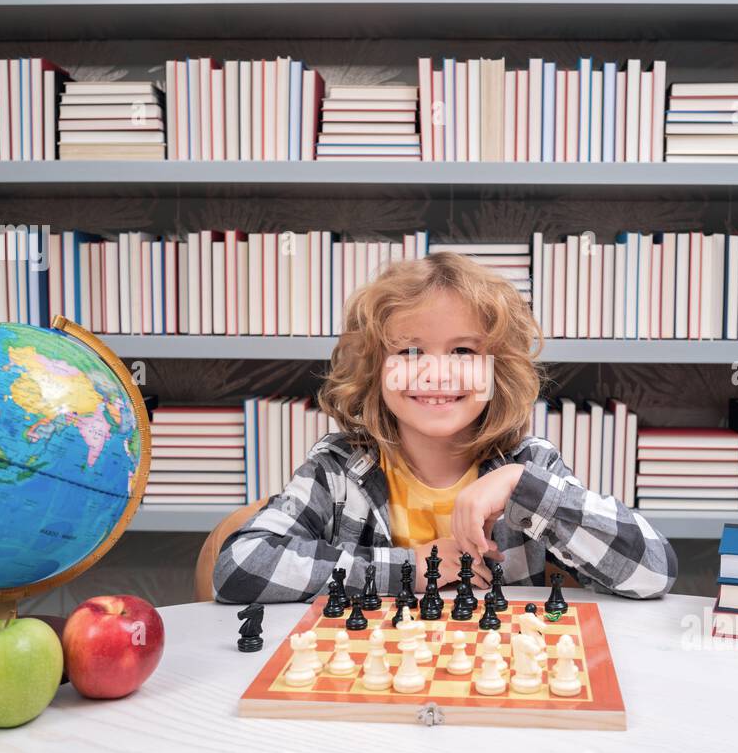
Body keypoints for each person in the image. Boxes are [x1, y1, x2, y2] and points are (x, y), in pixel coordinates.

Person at [213, 250, 677, 603]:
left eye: (463, 352)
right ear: (375, 370)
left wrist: (525, 488)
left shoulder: (528, 465)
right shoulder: (337, 470)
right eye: (410, 352)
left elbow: (654, 572)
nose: (437, 374)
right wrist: (408, 568)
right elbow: (238, 567)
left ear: (499, 370)